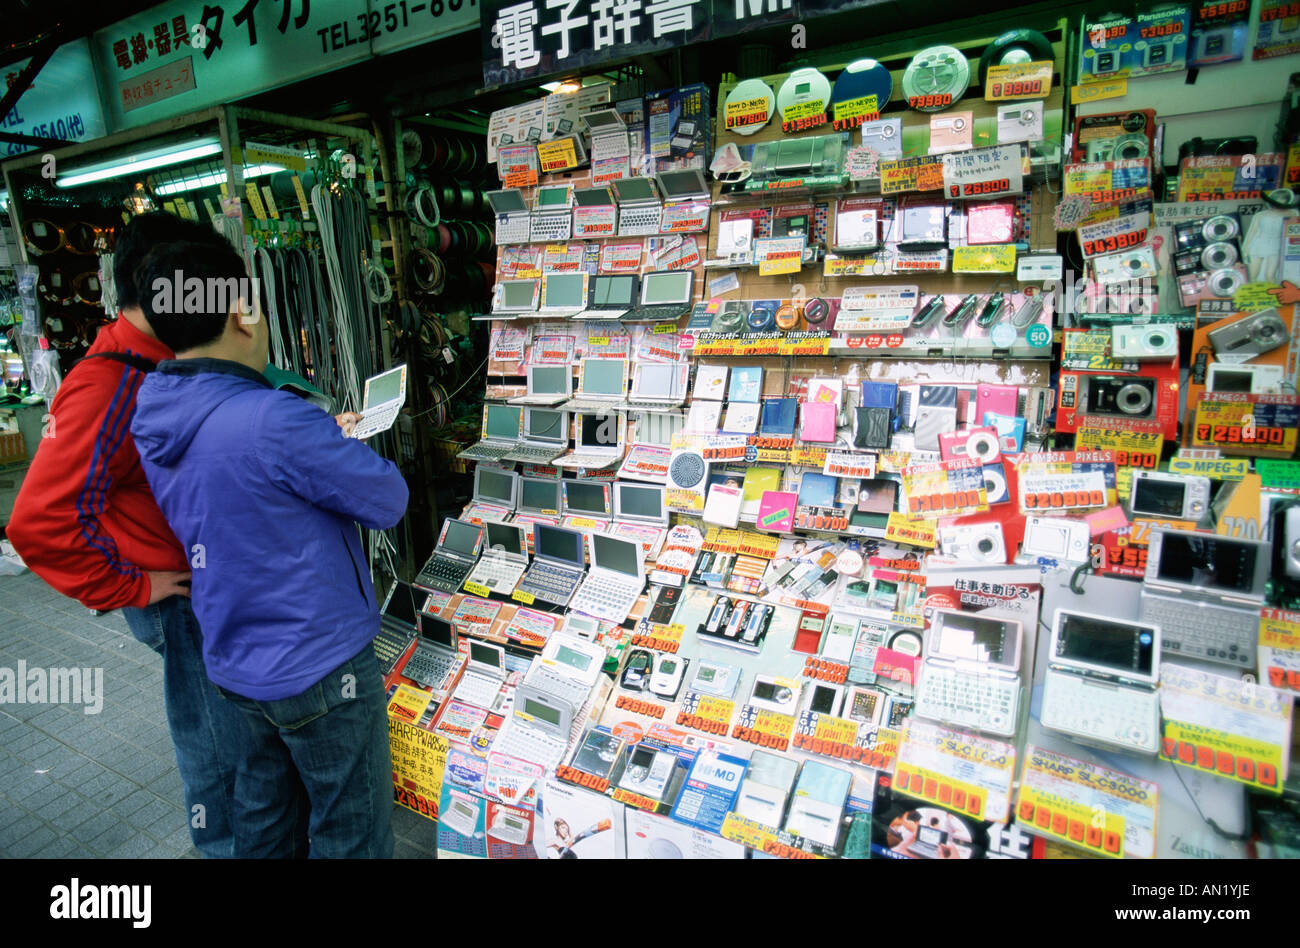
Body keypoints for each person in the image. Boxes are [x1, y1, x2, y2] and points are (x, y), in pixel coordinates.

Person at [130, 238, 407, 858]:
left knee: (263, 827)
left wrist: (313, 449)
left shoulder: (155, 412)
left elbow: (239, 488)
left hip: (231, 659)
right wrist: (334, 447)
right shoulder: (275, 418)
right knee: (350, 832)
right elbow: (388, 499)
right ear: (242, 315)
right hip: (320, 664)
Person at [7, 212, 252, 858]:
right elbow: (38, 522)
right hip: (178, 600)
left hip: (209, 585)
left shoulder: (167, 356)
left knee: (241, 740)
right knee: (216, 752)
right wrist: (132, 584)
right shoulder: (106, 383)